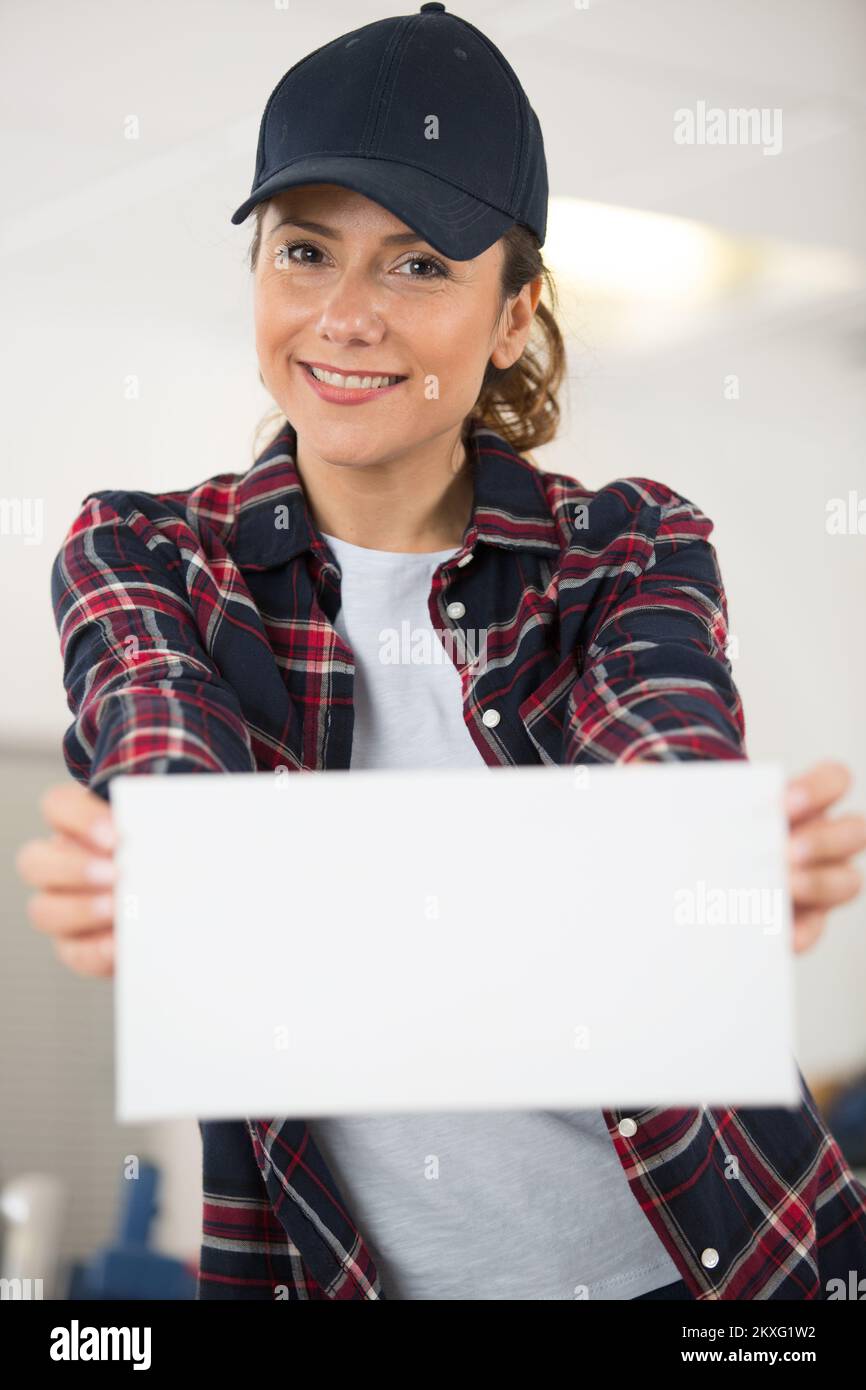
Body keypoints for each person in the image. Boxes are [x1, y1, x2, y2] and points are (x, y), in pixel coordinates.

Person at [16, 4, 866, 1301]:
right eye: (305, 251)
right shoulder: (144, 557)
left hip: (720, 1272)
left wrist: (706, 857)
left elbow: (660, 752)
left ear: (513, 311)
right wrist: (155, 877)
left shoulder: (625, 545)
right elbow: (168, 778)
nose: (345, 315)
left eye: (418, 265)